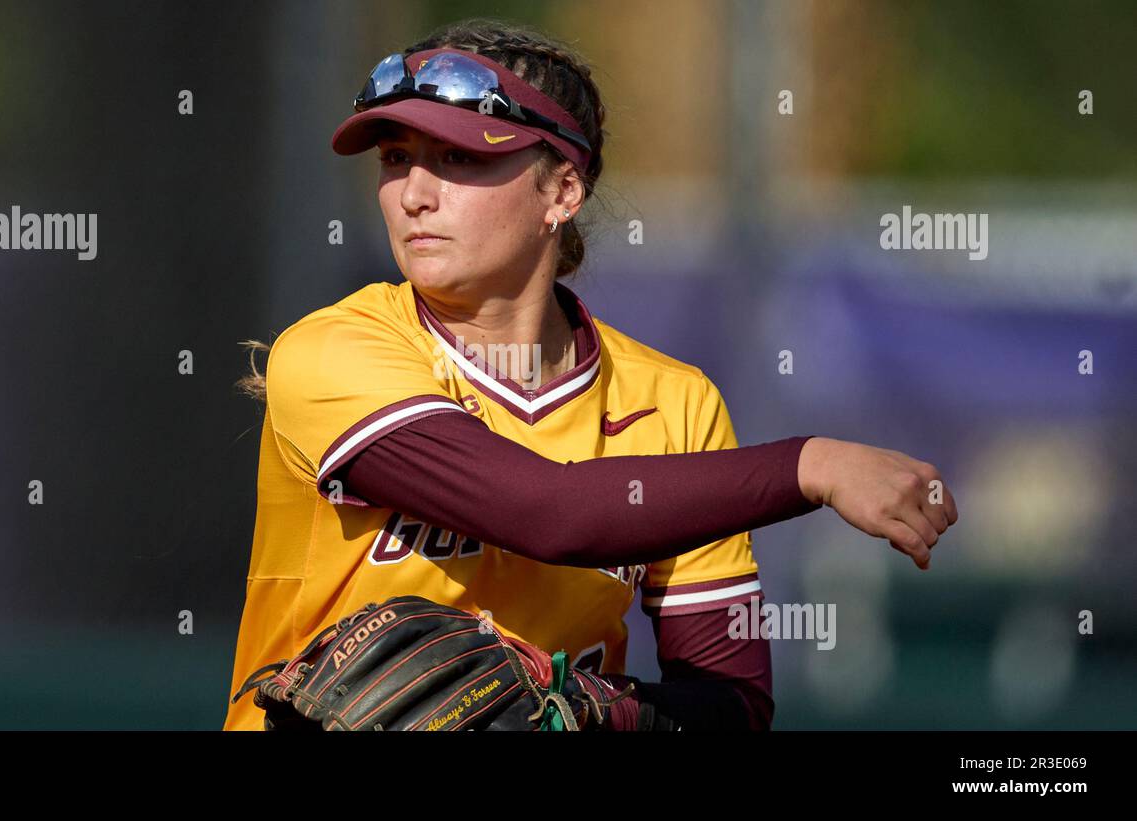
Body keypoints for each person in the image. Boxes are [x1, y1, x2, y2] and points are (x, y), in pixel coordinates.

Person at [224, 19, 957, 731]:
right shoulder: (335, 350)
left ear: (563, 191)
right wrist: (810, 465)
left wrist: (586, 707)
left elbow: (733, 705)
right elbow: (549, 511)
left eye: (458, 158)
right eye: (394, 157)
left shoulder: (673, 403)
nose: (414, 193)